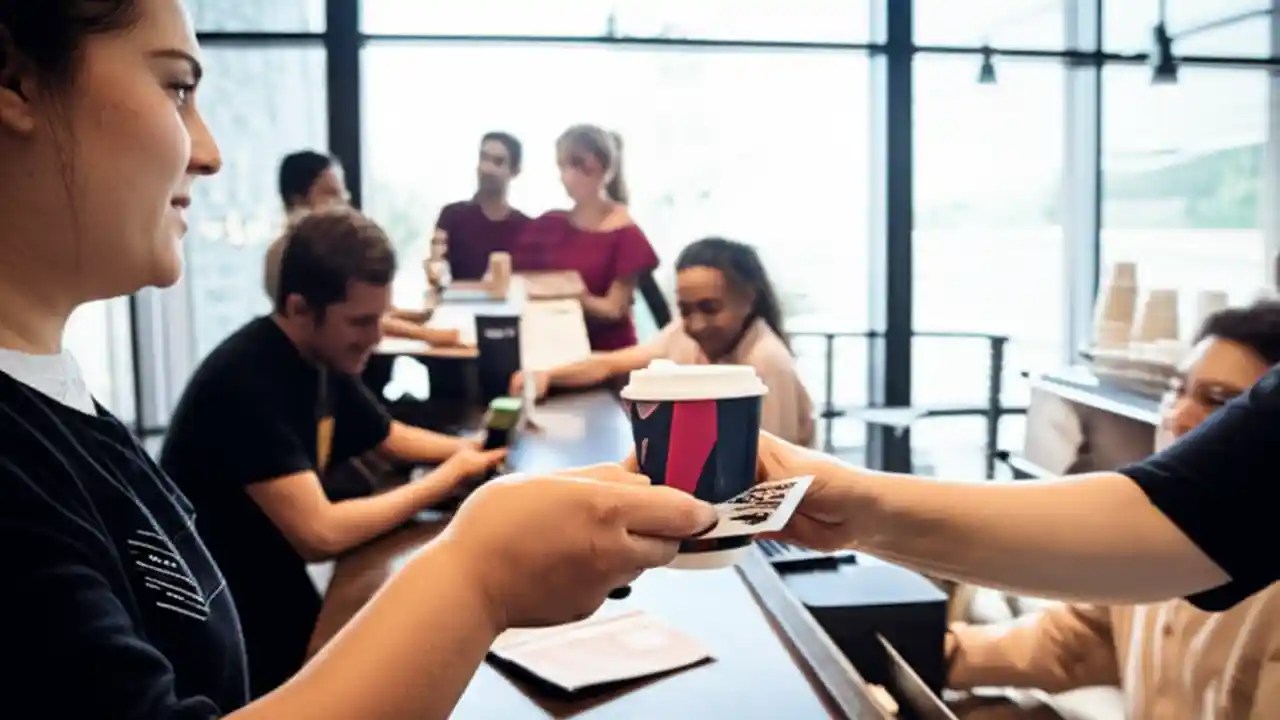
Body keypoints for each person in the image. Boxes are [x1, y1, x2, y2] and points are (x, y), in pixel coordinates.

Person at [0, 2, 717, 717]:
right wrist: (479, 572)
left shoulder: (63, 408)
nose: (209, 150)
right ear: (16, 81)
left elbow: (383, 436)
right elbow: (317, 530)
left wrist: (471, 463)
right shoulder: (224, 385)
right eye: (177, 88)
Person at [163, 207, 517, 697]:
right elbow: (320, 533)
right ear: (300, 308)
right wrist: (446, 478)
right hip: (222, 617)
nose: (376, 337)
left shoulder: (318, 355)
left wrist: (474, 450)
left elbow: (387, 436)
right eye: (361, 321)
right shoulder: (245, 382)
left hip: (270, 577)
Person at [945, 301, 1280, 720]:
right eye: (1176, 390)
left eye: (1218, 402)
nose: (1179, 418)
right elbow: (1077, 643)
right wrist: (939, 652)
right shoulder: (1146, 536)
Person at [513, 237, 815, 446]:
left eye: (710, 308)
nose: (696, 324)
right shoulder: (682, 334)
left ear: (748, 299)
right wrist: (547, 375)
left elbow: (776, 472)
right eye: (685, 309)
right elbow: (609, 363)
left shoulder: (767, 363)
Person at [264, 149, 459, 347]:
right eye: (332, 195)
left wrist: (419, 316)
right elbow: (356, 318)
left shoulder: (328, 247)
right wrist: (430, 335)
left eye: (343, 195)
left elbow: (367, 312)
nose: (344, 204)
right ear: (297, 200)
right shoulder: (292, 253)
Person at [512, 125, 659, 351]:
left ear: (603, 168)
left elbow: (613, 309)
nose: (567, 176)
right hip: (553, 344)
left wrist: (574, 296)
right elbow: (518, 279)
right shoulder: (550, 224)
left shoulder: (627, 235)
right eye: (562, 166)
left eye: (577, 164)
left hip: (605, 355)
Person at [434, 131, 529, 281]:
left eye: (498, 162)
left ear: (514, 171)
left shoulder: (526, 228)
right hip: (456, 303)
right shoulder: (452, 216)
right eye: (483, 158)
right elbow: (436, 272)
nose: (487, 168)